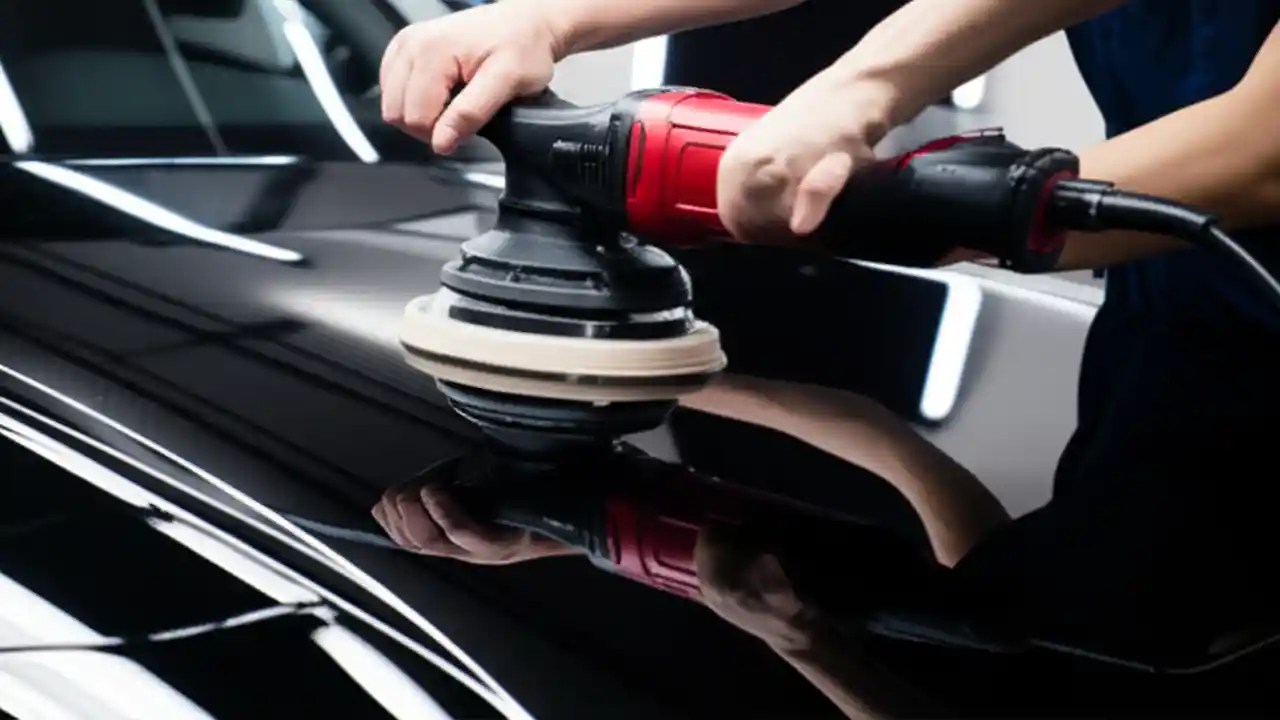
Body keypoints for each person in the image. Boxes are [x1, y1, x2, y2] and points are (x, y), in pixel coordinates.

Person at [376, 0, 1280, 715]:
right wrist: (608, 521)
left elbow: (1260, 154)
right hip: (1154, 340)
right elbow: (972, 581)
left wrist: (872, 132)